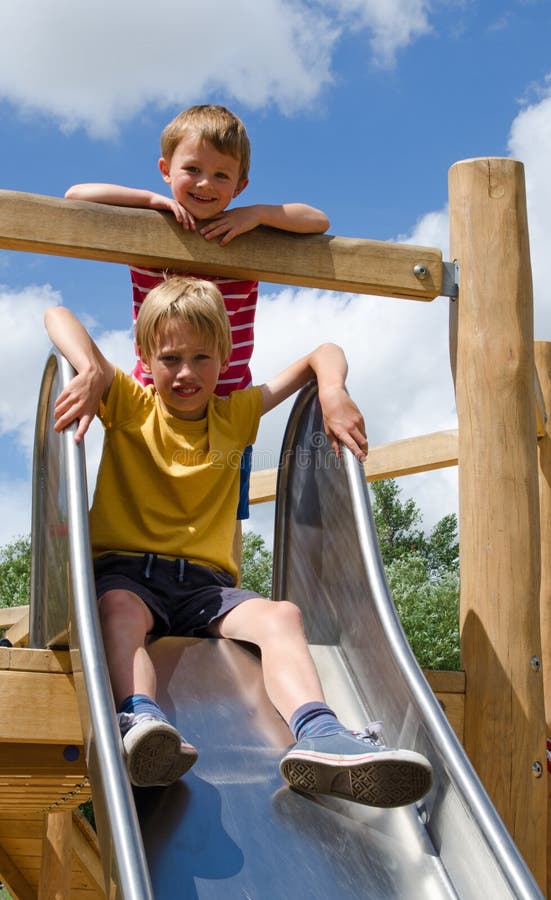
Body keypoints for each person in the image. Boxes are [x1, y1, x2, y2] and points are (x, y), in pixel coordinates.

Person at [44, 275, 432, 808]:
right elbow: (56, 314)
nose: (186, 373)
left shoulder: (236, 417)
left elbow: (325, 351)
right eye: (170, 358)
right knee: (117, 610)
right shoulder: (132, 405)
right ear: (144, 357)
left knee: (282, 617)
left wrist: (333, 389)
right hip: (131, 574)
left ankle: (320, 734)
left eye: (202, 358)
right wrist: (91, 370)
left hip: (208, 589)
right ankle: (140, 719)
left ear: (224, 359)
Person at [65, 103, 330, 526]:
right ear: (166, 169)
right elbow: (76, 196)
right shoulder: (152, 224)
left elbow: (318, 220)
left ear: (240, 185)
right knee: (147, 499)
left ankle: (223, 582)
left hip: (227, 405)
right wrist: (151, 200)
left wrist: (258, 214)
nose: (206, 183)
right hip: (157, 399)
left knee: (223, 514)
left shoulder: (244, 233)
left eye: (222, 175)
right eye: (192, 169)